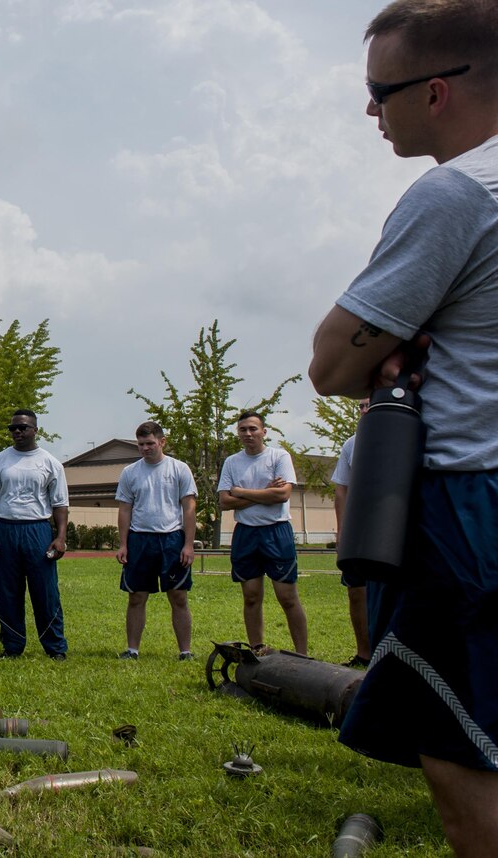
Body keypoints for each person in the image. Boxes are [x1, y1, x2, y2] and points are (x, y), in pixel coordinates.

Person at [309, 1, 498, 850]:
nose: (369, 110)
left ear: (436, 91)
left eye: (379, 92)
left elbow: (332, 365)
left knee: (462, 759)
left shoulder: (457, 192)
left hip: (466, 505)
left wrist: (388, 355)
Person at [0, 409, 69, 660]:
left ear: (35, 430)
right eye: (13, 428)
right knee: (8, 591)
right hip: (6, 528)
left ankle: (55, 647)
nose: (17, 432)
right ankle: (12, 646)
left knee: (45, 591)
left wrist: (60, 537)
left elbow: (60, 504)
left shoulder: (50, 463)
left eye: (23, 427)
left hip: (37, 529)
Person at [217, 412, 308, 656]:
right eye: (243, 429)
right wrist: (264, 492)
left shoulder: (279, 456)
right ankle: (257, 649)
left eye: (253, 429)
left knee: (287, 597)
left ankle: (302, 654)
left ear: (264, 432)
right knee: (251, 596)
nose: (248, 434)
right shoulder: (232, 462)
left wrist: (241, 492)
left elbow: (282, 495)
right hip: (246, 533)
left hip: (276, 532)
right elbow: (225, 502)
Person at [114, 422, 198, 661]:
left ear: (162, 442)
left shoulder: (179, 469)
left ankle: (185, 651)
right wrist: (123, 544)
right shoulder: (130, 472)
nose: (145, 448)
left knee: (178, 597)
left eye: (150, 443)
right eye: (141, 444)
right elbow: (125, 509)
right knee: (136, 597)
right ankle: (132, 650)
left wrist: (188, 544)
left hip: (172, 539)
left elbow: (189, 508)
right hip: (140, 539)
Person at [330, 400, 372, 668]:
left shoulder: (402, 435)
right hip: (358, 532)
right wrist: (342, 531)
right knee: (356, 591)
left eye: (370, 404)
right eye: (361, 406)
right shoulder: (351, 444)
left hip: (393, 531)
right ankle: (363, 654)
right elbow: (341, 489)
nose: (365, 410)